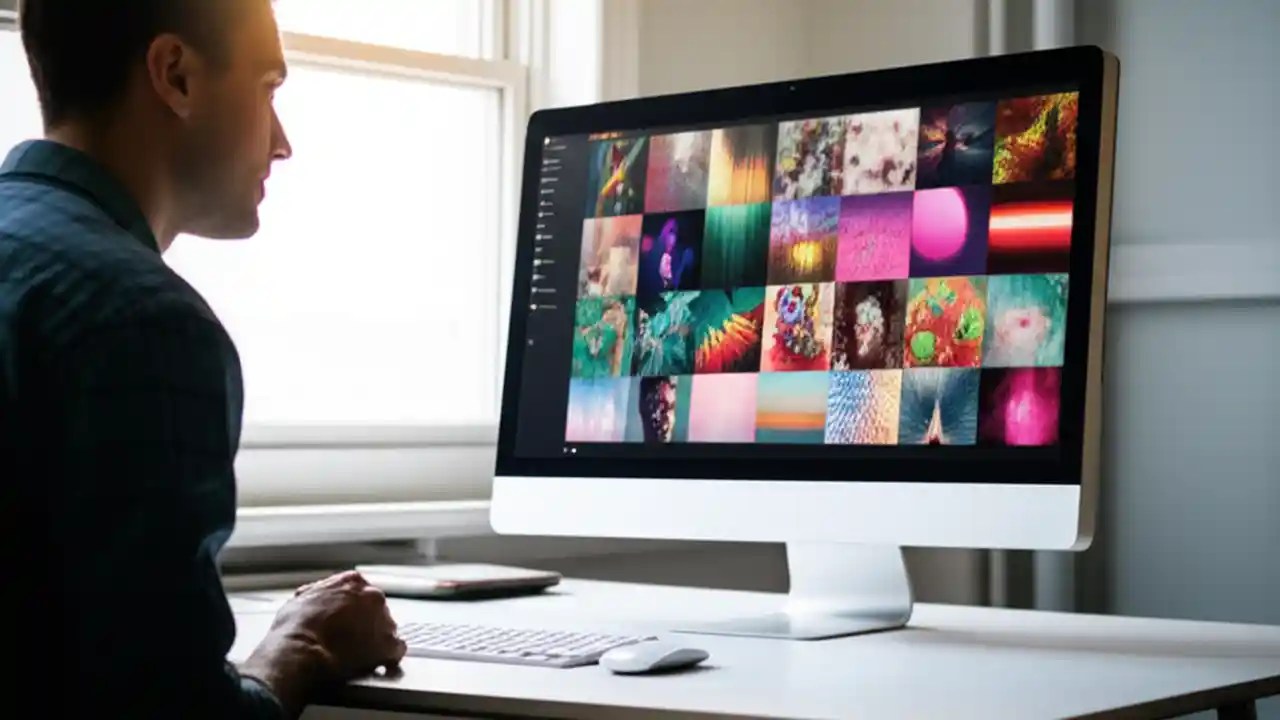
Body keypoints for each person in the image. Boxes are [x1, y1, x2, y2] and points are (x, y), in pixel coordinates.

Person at [0, 1, 406, 718]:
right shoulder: (144, 325)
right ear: (175, 76)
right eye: (267, 89)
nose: (282, 143)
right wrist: (300, 645)